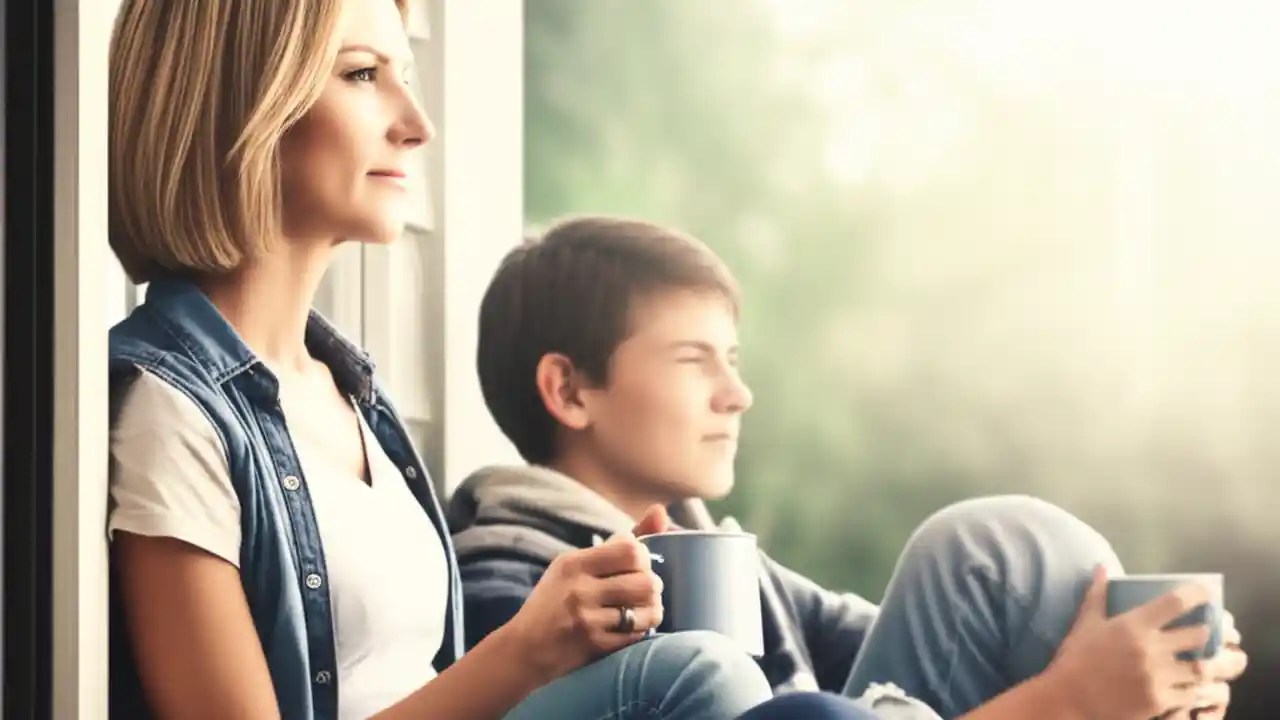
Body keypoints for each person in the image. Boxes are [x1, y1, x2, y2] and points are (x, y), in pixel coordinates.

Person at [104, 2, 876, 719]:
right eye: (363, 75)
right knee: (706, 677)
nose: (416, 124)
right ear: (244, 102)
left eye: (404, 78)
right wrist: (524, 648)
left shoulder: (352, 395)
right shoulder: (169, 412)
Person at [451, 215, 1250, 719]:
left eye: (733, 359)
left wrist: (1152, 670)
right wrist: (1070, 702)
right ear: (568, 388)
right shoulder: (510, 586)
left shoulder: (725, 562)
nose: (739, 394)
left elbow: (950, 639)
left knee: (996, 551)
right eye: (695, 361)